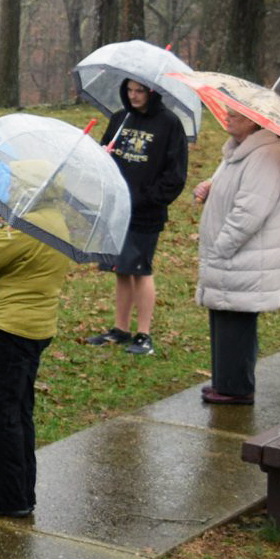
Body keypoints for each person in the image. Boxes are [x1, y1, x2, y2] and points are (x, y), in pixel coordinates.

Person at [0, 209, 73, 517]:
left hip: (12, 327)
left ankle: (7, 496)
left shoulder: (29, 225)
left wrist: (3, 232)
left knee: (1, 411)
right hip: (37, 325)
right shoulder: (57, 221)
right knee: (20, 410)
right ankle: (22, 490)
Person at [194, 111, 280, 407]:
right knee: (225, 317)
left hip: (245, 256)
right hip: (233, 256)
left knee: (236, 321)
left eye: (236, 114)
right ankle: (225, 382)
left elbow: (249, 212)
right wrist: (209, 187)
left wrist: (221, 248)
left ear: (253, 120)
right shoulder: (238, 152)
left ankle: (236, 388)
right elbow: (232, 189)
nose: (228, 116)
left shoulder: (265, 155)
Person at [84, 79, 189, 356]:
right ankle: (120, 329)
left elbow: (175, 175)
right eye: (129, 91)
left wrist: (148, 198)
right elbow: (104, 155)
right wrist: (102, 155)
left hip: (146, 211)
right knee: (120, 268)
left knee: (140, 269)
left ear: (151, 92)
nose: (133, 96)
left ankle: (144, 334)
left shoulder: (169, 124)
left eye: (139, 91)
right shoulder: (121, 118)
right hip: (117, 208)